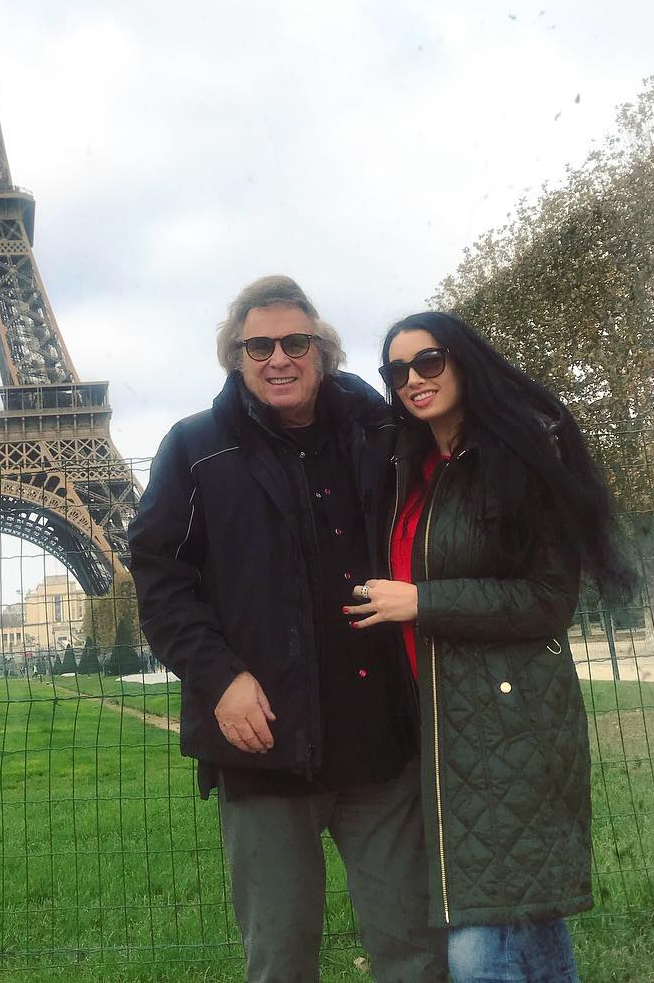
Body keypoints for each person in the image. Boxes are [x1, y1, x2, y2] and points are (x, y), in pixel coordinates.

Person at [128, 276, 446, 982]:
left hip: (379, 740)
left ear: (322, 351)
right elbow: (160, 579)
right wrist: (219, 679)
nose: (279, 358)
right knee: (280, 960)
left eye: (296, 343)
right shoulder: (193, 448)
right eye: (259, 347)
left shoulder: (382, 432)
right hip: (264, 746)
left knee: (415, 951)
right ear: (236, 357)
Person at [346, 311, 635, 983]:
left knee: (481, 948)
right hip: (443, 729)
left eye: (429, 362)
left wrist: (423, 602)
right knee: (525, 923)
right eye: (396, 371)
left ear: (465, 362)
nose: (412, 380)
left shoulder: (519, 459)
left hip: (509, 727)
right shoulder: (414, 469)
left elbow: (548, 600)